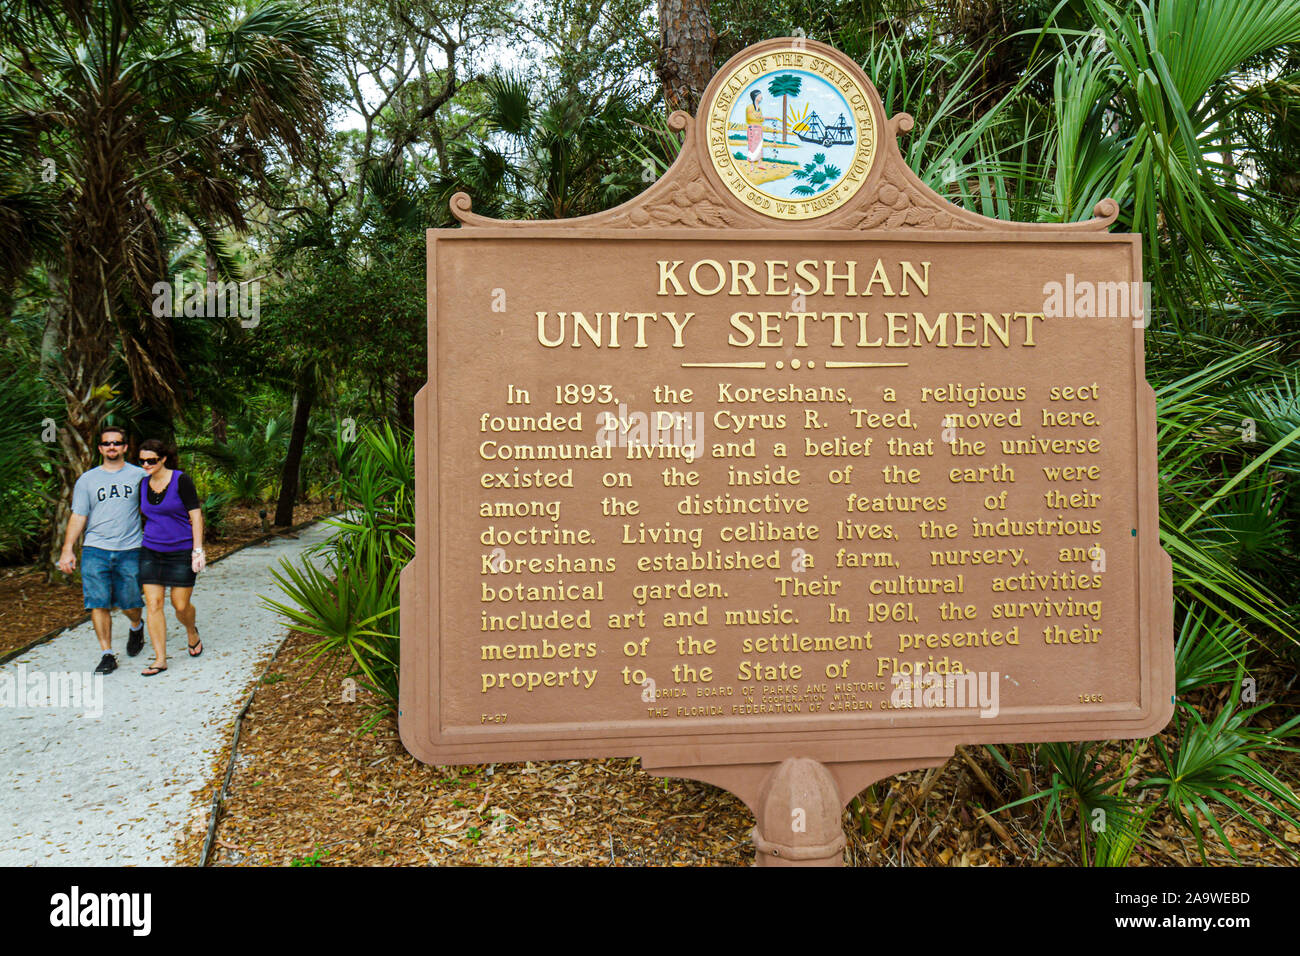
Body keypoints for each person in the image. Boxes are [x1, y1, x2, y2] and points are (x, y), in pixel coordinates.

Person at [57, 426, 148, 674]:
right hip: (95, 548)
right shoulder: (88, 480)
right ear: (100, 448)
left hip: (130, 548)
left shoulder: (139, 476)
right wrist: (68, 549)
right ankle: (107, 654)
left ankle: (136, 625)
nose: (112, 447)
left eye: (117, 443)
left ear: (125, 447)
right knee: (98, 602)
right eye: (107, 443)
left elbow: (156, 508)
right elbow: (78, 515)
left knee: (130, 601)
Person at [136, 439, 206, 676]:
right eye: (142, 461)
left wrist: (198, 550)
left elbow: (195, 516)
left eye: (151, 460)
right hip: (151, 550)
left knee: (180, 604)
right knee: (153, 604)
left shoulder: (181, 480)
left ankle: (191, 631)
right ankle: (160, 659)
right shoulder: (143, 484)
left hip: (181, 550)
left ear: (163, 459)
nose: (146, 465)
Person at [745, 89, 768, 174]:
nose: (761, 97)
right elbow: (750, 118)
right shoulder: (749, 107)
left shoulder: (759, 108)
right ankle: (751, 165)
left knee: (759, 146)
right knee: (752, 146)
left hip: (759, 128)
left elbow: (761, 119)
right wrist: (759, 118)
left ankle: (759, 163)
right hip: (752, 128)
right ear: (755, 96)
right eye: (759, 95)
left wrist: (759, 118)